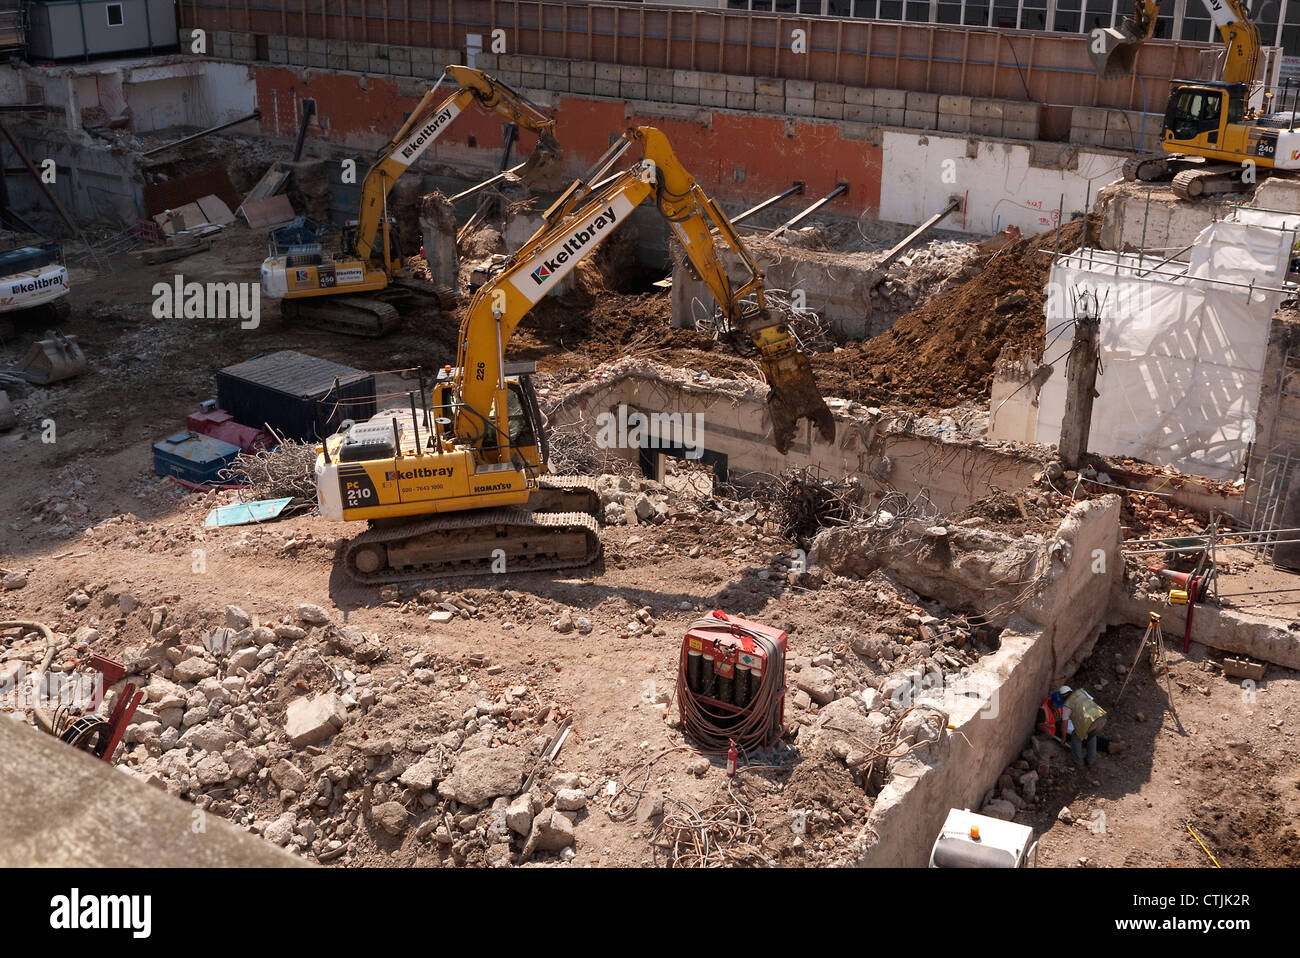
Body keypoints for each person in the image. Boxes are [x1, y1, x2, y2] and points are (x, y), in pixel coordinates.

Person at [1036, 685, 1110, 767]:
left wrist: (1063, 739)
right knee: (1091, 736)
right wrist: (1047, 731)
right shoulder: (1080, 692)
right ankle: (1105, 748)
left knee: (1078, 738)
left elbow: (1064, 724)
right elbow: (1039, 725)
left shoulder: (1066, 705)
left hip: (1081, 723)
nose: (1057, 707)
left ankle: (1078, 762)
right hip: (1100, 717)